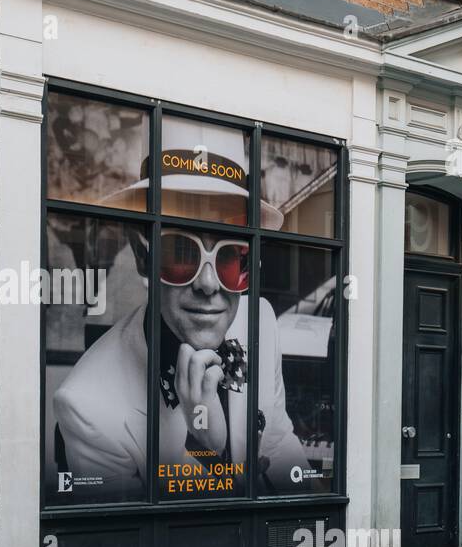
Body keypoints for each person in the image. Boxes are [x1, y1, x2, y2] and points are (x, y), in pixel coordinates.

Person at [53, 149, 310, 496]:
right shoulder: (88, 406)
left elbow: (278, 443)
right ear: (144, 257)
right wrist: (209, 451)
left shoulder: (260, 319)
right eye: (181, 252)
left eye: (231, 255)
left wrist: (314, 523)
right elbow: (130, 545)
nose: (208, 284)